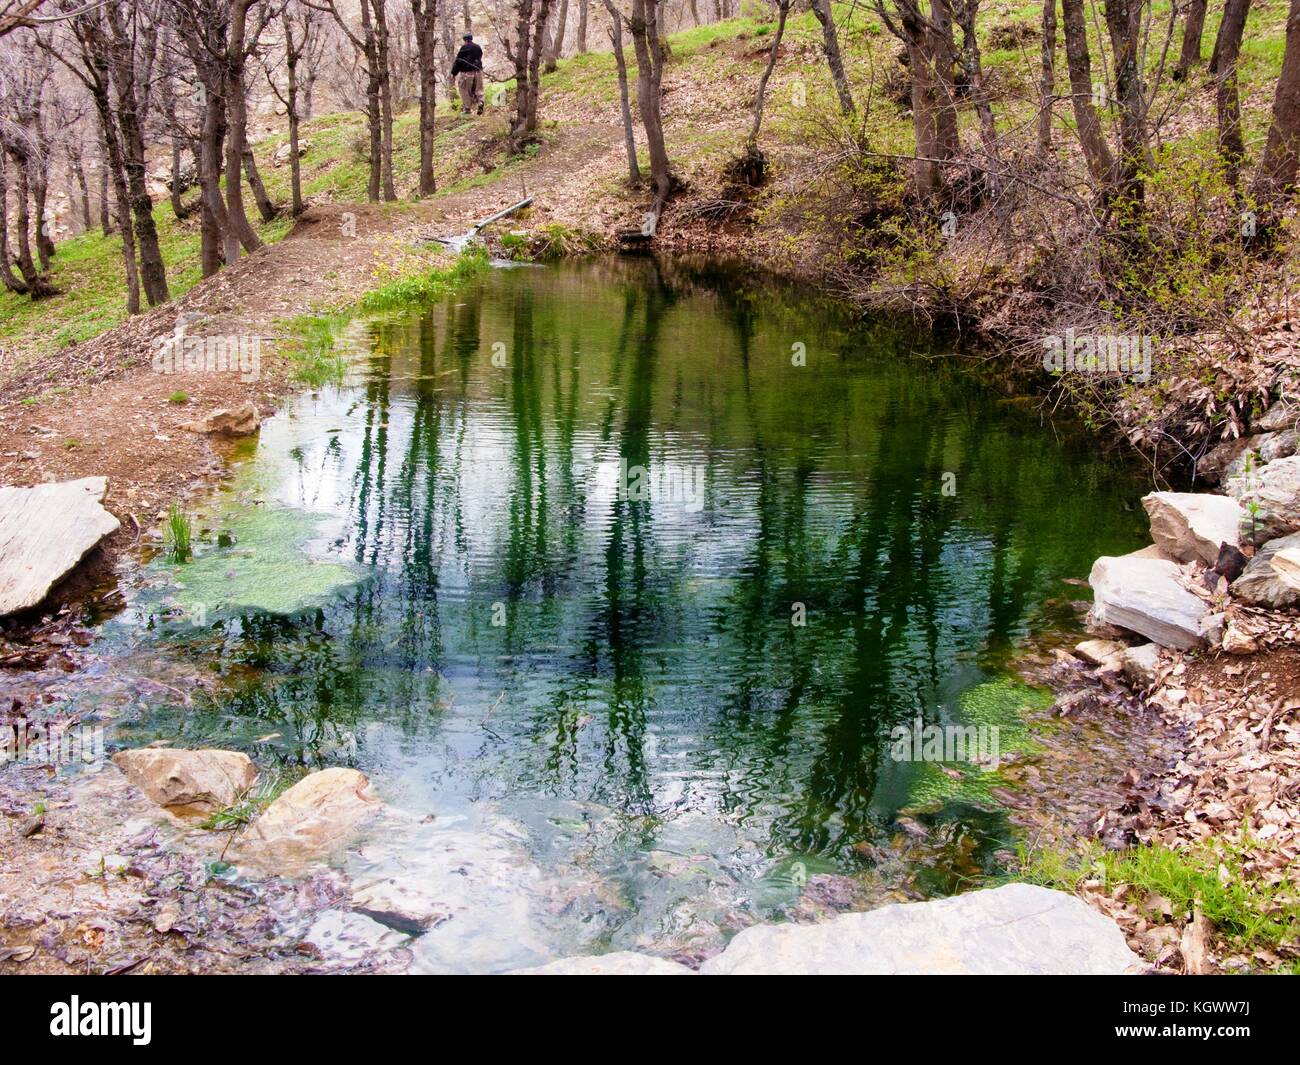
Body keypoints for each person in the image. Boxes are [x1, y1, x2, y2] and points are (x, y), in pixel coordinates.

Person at [450, 32, 484, 116]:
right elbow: (479, 57)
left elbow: (458, 61)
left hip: (467, 73)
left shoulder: (464, 48)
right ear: (471, 39)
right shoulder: (478, 47)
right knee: (478, 89)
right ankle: (480, 102)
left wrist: (453, 73)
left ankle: (467, 109)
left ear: (465, 40)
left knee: (464, 90)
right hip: (478, 72)